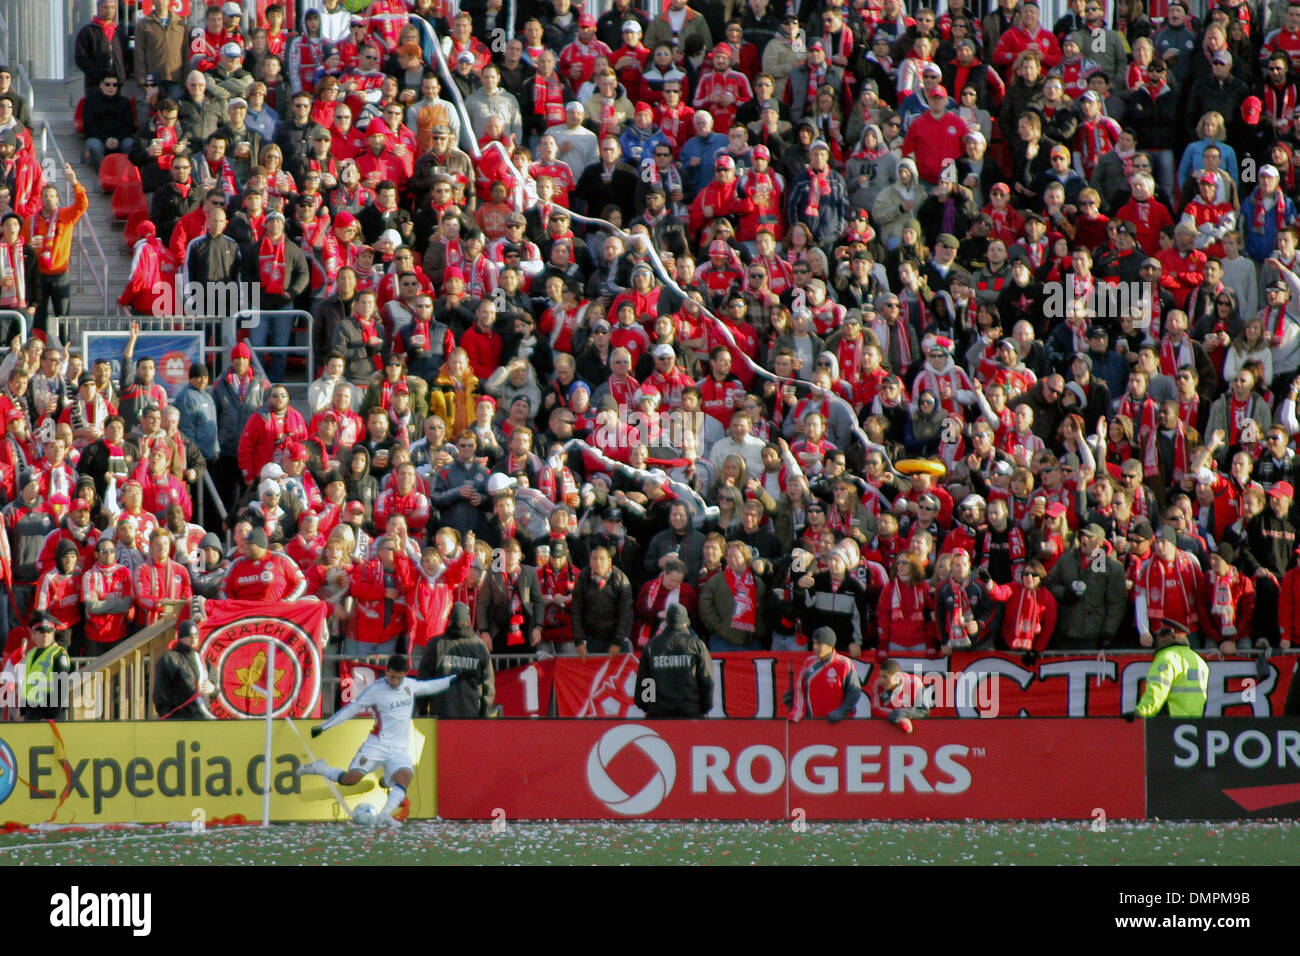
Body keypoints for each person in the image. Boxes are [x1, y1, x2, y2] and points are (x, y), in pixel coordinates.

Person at [299, 653, 456, 826]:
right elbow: (352, 709)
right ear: (387, 672)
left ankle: (385, 815)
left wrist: (455, 678)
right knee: (351, 779)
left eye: (398, 678)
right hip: (378, 745)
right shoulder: (375, 690)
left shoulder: (411, 686)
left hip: (399, 749)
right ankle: (320, 769)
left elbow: (432, 686)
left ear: (405, 674)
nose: (394, 681)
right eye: (392, 676)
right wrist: (324, 726)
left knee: (404, 777)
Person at [634, 602, 714, 717]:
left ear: (666, 621)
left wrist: (647, 706)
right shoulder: (696, 645)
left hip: (659, 713)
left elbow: (646, 680)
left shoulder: (652, 645)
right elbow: (706, 680)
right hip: (690, 712)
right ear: (687, 622)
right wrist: (704, 707)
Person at [417, 602, 497, 717]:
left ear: (449, 619)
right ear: (468, 620)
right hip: (471, 714)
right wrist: (484, 713)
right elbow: (488, 685)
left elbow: (424, 681)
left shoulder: (436, 644)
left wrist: (423, 710)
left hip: (441, 715)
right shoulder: (479, 646)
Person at [1128, 620, 1209, 719]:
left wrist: (1140, 712)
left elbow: (1157, 690)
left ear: (1175, 636)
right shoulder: (1199, 661)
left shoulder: (1166, 658)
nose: (1158, 638)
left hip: (1169, 722)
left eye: (1163, 633)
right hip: (1195, 722)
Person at [787, 626, 862, 723]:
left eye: (819, 643)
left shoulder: (845, 664)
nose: (814, 646)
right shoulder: (809, 662)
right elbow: (799, 688)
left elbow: (854, 692)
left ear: (830, 645)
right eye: (813, 643)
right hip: (813, 722)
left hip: (840, 723)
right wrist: (796, 711)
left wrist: (841, 712)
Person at [153, 619, 216, 719]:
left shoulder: (202, 660)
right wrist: (166, 716)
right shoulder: (170, 658)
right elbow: (161, 691)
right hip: (180, 717)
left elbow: (216, 684)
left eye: (196, 637)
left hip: (203, 716)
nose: (193, 640)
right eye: (188, 636)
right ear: (180, 638)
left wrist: (212, 688)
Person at [21, 614, 72, 721]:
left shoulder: (59, 655)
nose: (45, 636)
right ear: (33, 634)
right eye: (41, 632)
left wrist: (50, 715)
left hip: (49, 714)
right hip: (32, 712)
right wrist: (23, 712)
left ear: (53, 634)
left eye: (49, 632)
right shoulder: (30, 654)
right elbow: (26, 685)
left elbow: (61, 688)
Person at [869, 658, 932, 733]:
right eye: (880, 676)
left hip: (917, 731)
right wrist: (901, 719)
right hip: (885, 729)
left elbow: (923, 710)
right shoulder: (877, 684)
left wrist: (902, 713)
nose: (881, 680)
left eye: (885, 677)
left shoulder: (914, 683)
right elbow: (875, 710)